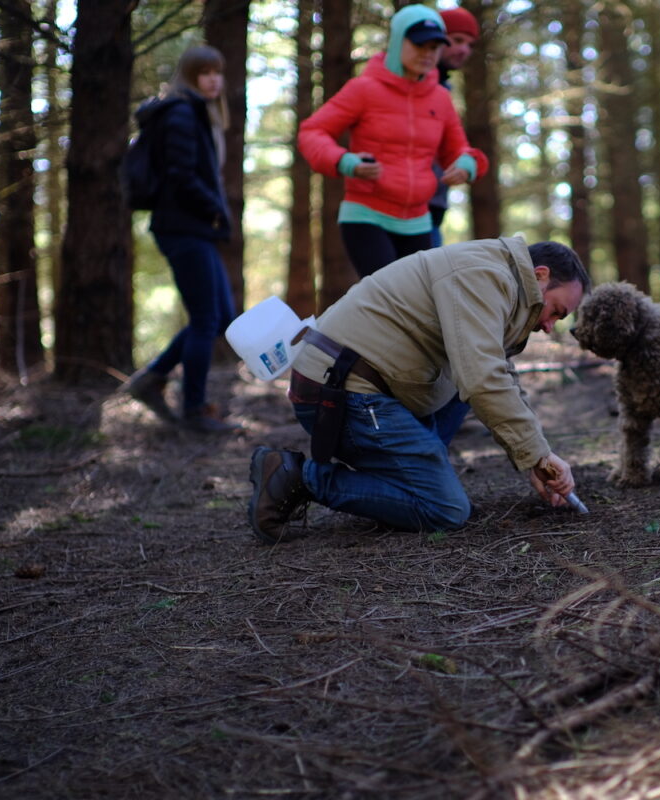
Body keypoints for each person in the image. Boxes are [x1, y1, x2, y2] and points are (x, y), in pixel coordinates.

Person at [247, 237, 591, 543]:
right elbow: (483, 378)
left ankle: (408, 477)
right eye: (556, 312)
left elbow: (497, 372)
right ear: (541, 275)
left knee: (470, 385)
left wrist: (536, 457)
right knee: (445, 509)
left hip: (364, 385)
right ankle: (299, 477)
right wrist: (538, 456)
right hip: (340, 392)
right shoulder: (483, 276)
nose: (548, 327)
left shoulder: (497, 276)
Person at [297, 4, 488, 278]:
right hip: (366, 215)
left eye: (435, 47)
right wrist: (345, 161)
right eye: (421, 45)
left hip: (418, 221)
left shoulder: (440, 98)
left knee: (417, 307)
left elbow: (458, 149)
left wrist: (467, 164)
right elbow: (312, 132)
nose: (427, 54)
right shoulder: (363, 89)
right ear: (399, 41)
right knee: (388, 299)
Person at [124, 45, 239, 433]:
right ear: (189, 77)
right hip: (183, 226)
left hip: (194, 227)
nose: (213, 79)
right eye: (204, 73)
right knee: (207, 318)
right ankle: (193, 410)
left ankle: (152, 378)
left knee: (221, 316)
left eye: (217, 72)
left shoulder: (196, 112)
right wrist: (216, 210)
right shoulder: (181, 112)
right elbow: (181, 175)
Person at [428, 6, 481, 248]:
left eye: (470, 45)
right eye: (457, 40)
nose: (464, 50)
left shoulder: (445, 90)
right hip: (401, 208)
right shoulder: (408, 85)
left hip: (435, 202)